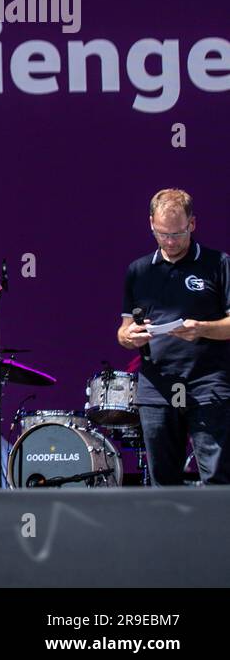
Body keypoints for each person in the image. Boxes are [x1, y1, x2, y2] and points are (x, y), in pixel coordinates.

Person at [117, 188, 230, 485]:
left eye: (178, 234)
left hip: (207, 383)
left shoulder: (219, 264)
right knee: (163, 480)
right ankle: (168, 532)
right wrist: (130, 336)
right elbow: (123, 330)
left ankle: (217, 532)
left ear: (192, 224)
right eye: (162, 234)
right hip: (157, 385)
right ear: (151, 224)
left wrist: (202, 328)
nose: (170, 241)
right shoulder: (139, 270)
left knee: (217, 476)